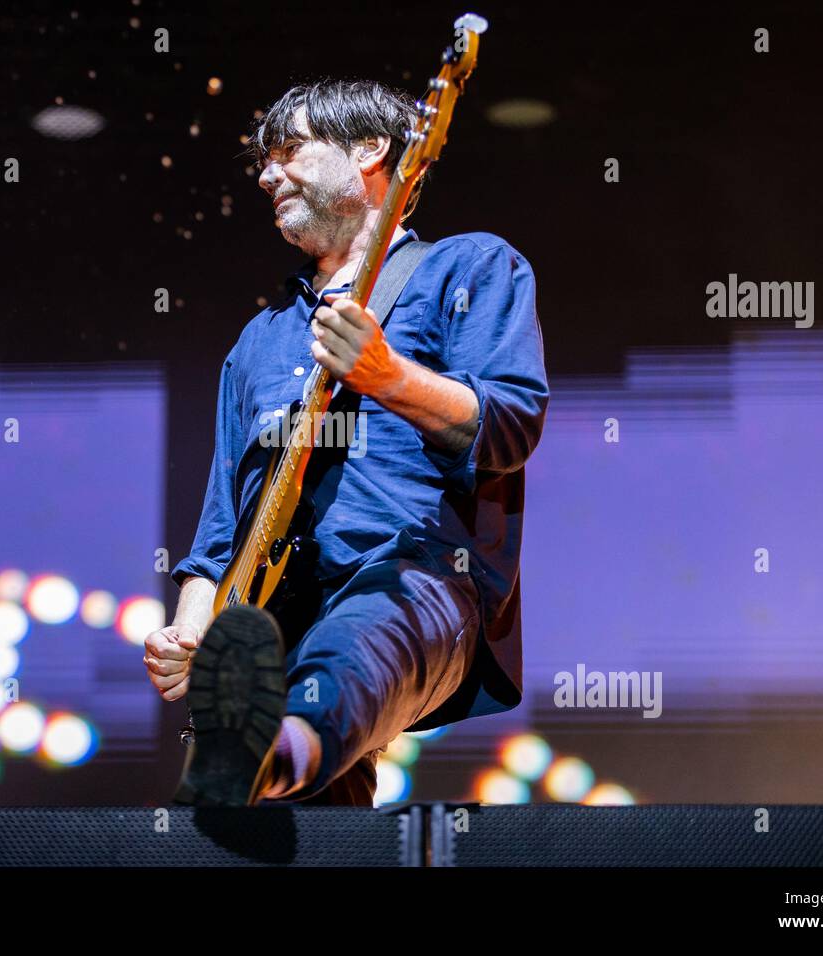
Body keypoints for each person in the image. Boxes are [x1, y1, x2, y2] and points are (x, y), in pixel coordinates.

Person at [143, 78, 550, 806]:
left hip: (415, 576)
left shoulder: (470, 267)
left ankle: (270, 746)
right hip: (274, 627)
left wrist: (387, 375)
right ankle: (263, 763)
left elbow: (509, 426)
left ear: (371, 149)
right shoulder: (260, 340)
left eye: (289, 149)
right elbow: (217, 533)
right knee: (279, 833)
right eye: (262, 161)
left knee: (353, 645)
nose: (268, 174)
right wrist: (189, 633)